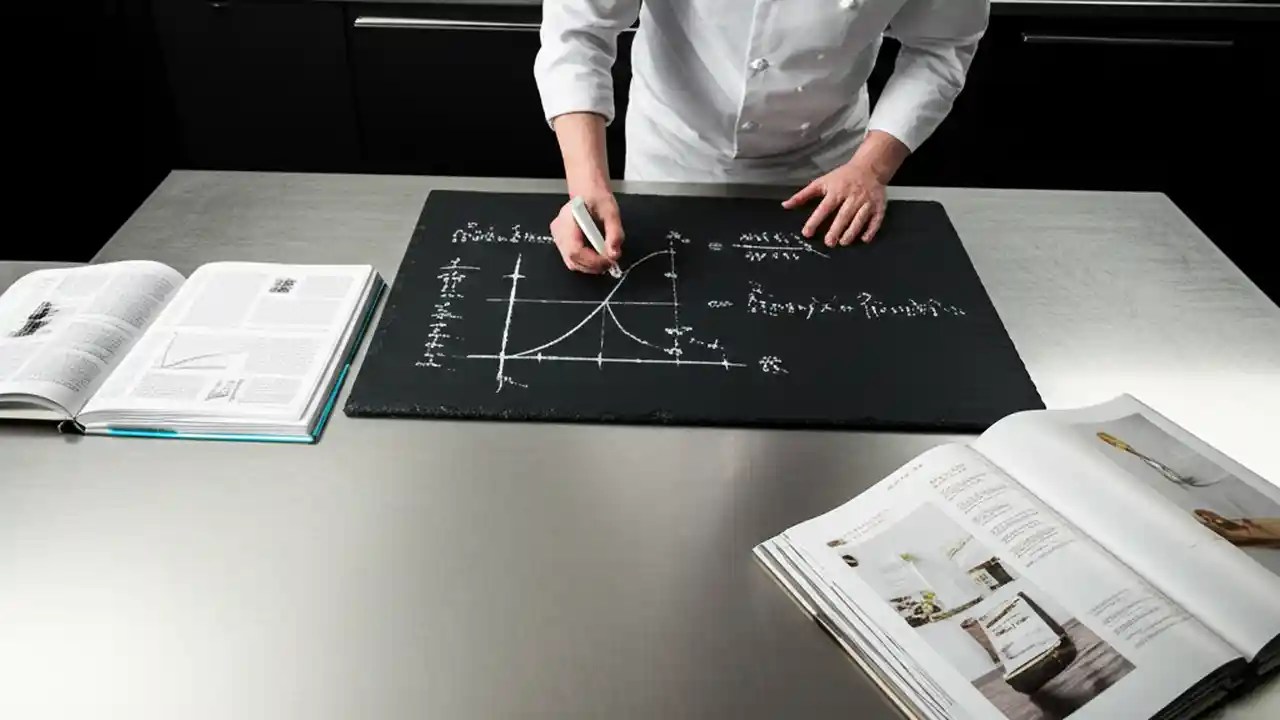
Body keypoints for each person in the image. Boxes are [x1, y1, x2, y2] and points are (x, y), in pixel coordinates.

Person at [534, 0, 990, 274]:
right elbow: (578, 32)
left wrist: (871, 166)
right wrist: (587, 186)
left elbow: (941, 46)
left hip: (829, 169)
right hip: (674, 148)